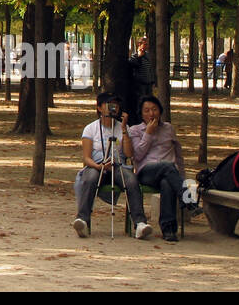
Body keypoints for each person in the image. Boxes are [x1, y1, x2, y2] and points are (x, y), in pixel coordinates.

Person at [72, 92, 153, 240]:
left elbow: (128, 154)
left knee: (131, 180)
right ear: (99, 108)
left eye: (115, 104)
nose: (113, 107)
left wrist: (123, 129)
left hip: (117, 165)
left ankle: (140, 223)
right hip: (96, 166)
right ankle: (82, 220)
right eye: (109, 104)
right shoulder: (90, 129)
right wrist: (98, 166)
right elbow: (86, 158)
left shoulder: (123, 127)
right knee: (89, 178)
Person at [128, 95, 186, 242]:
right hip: (147, 172)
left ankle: (169, 230)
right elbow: (137, 156)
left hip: (170, 174)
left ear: (160, 111)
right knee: (168, 166)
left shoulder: (168, 128)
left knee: (167, 181)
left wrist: (182, 176)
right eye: (146, 110)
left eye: (154, 110)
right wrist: (148, 133)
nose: (151, 114)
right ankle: (187, 198)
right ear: (141, 114)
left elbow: (178, 154)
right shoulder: (135, 130)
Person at [128, 38, 155, 123]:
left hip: (148, 84)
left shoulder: (148, 56)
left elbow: (150, 69)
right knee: (141, 102)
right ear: (139, 45)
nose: (146, 46)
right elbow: (133, 66)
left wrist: (152, 81)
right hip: (140, 85)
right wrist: (139, 57)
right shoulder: (134, 56)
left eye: (147, 44)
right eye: (145, 44)